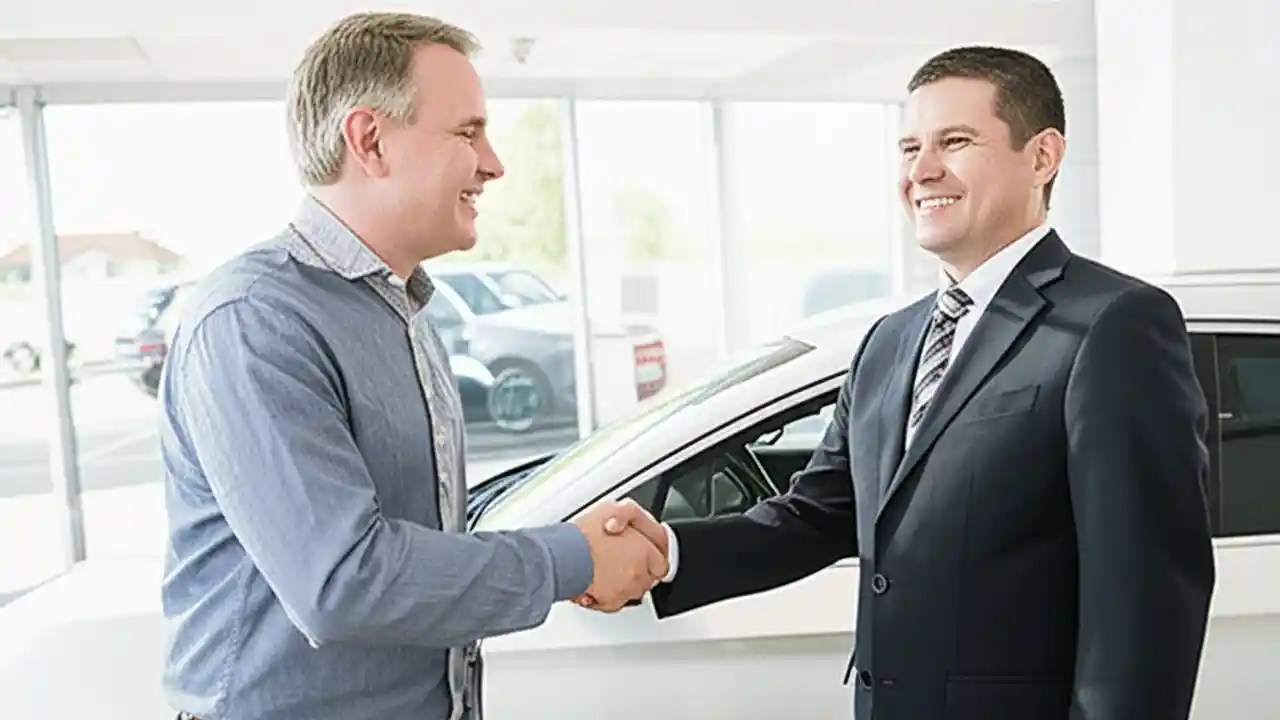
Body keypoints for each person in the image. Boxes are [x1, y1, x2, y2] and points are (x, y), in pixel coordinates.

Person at [600, 46, 1215, 719]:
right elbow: (817, 515)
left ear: (1042, 157)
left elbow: (1143, 598)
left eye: (955, 141)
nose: (922, 170)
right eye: (909, 146)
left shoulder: (1113, 325)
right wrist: (671, 550)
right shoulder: (890, 340)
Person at [158, 12, 665, 720]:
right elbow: (343, 581)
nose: (494, 163)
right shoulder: (254, 320)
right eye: (468, 132)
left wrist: (567, 537)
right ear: (369, 140)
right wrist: (567, 559)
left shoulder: (405, 312)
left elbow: (416, 541)